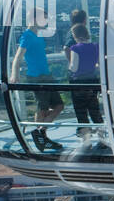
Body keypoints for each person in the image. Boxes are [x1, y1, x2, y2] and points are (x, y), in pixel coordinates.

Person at [10, 13, 64, 151]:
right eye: (43, 18)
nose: (46, 20)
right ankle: (42, 137)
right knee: (43, 108)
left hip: (46, 75)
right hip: (37, 77)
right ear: (34, 19)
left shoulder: (38, 34)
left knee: (58, 105)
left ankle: (40, 133)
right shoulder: (27, 36)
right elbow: (18, 56)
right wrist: (14, 73)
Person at [65, 12, 103, 139]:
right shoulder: (95, 46)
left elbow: (73, 67)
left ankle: (87, 141)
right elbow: (98, 63)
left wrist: (69, 67)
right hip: (92, 82)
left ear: (75, 36)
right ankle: (102, 137)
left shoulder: (75, 48)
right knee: (95, 110)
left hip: (79, 84)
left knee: (81, 112)